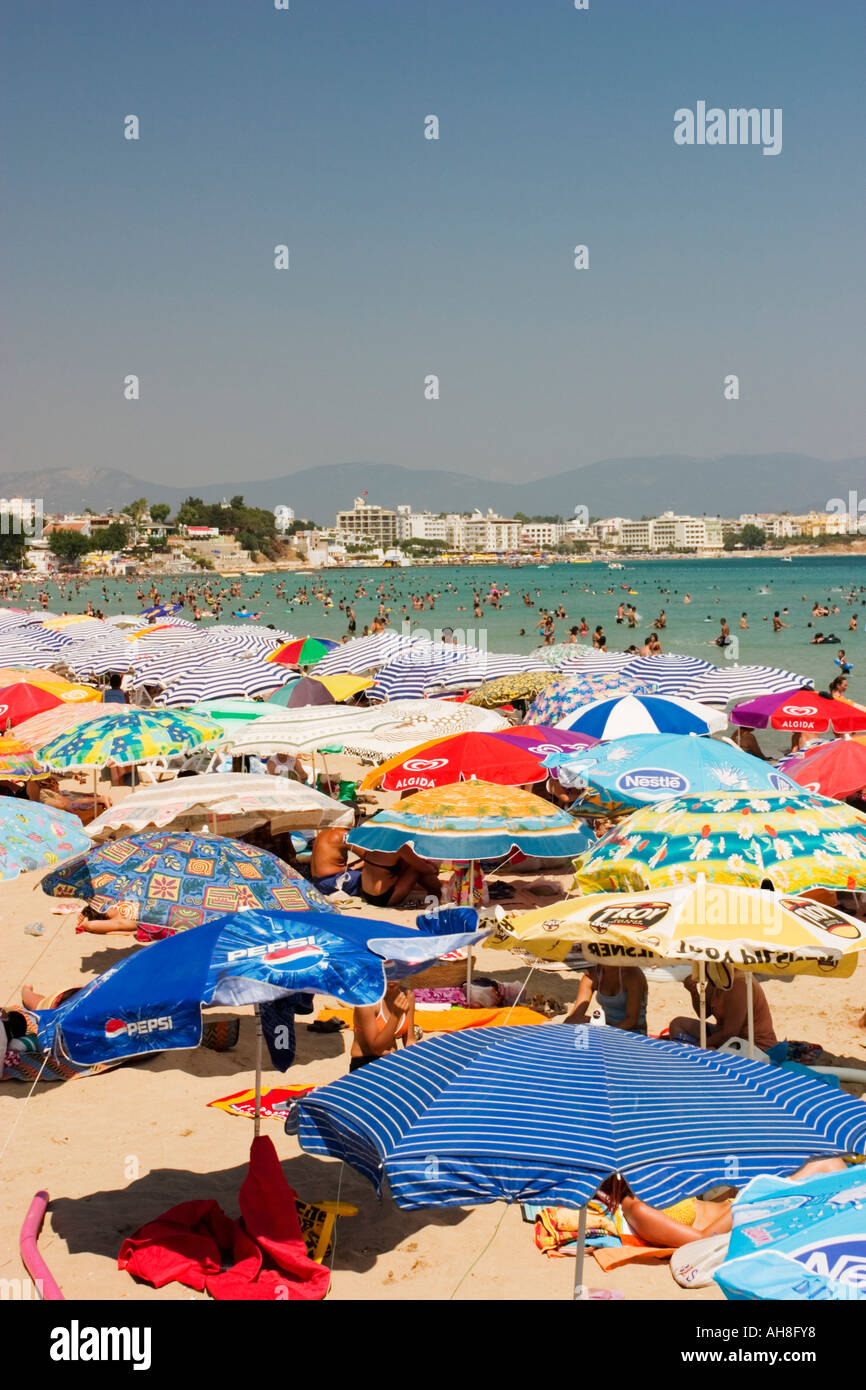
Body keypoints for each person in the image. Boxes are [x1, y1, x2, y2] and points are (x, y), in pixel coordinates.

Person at [668, 972, 777, 1052]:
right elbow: (704, 1013)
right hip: (725, 1035)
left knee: (708, 1050)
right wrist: (693, 991)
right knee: (678, 1024)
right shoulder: (716, 979)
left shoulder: (740, 984)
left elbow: (730, 1032)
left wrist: (699, 1046)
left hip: (752, 1044)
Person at [349, 981, 416, 1071]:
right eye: (387, 973)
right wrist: (395, 1015)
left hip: (392, 1060)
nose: (392, 979)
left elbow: (410, 1040)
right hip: (365, 1064)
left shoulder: (407, 995)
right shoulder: (366, 1000)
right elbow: (377, 1049)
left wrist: (416, 1061)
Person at [564, 965, 648, 1034]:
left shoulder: (632, 974)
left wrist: (604, 1032)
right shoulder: (593, 975)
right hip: (605, 1028)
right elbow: (574, 1016)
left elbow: (631, 1021)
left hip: (632, 1032)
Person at [309, 827, 362, 896]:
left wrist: (357, 865)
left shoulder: (322, 833)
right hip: (332, 882)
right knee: (368, 875)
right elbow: (369, 856)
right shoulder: (342, 834)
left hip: (317, 882)